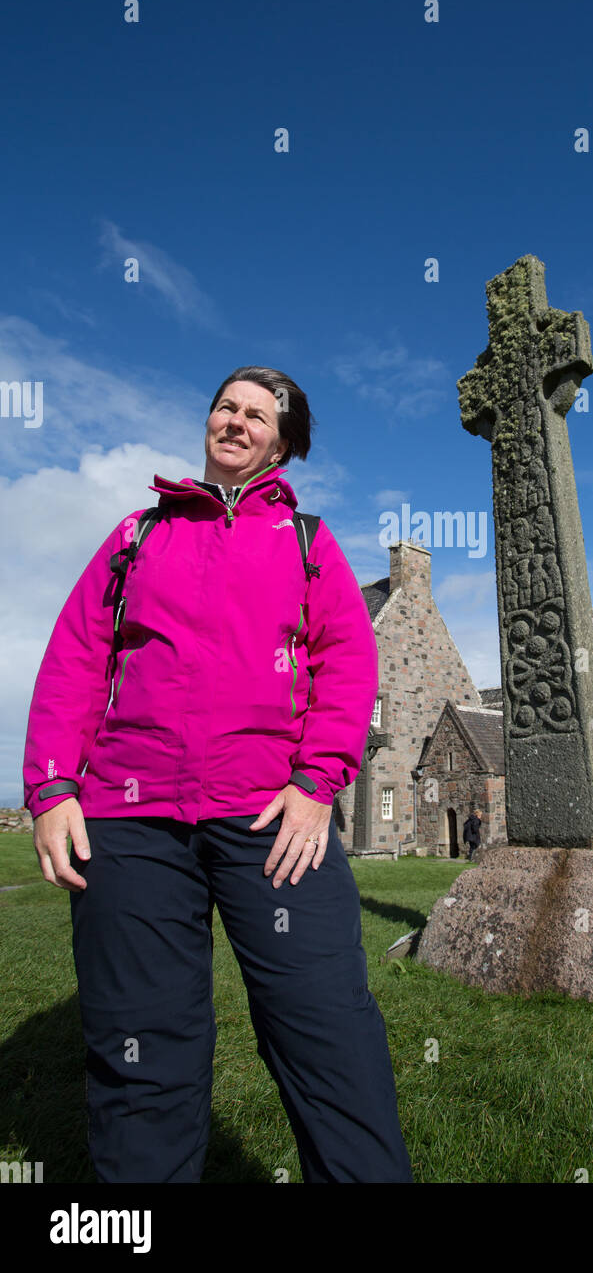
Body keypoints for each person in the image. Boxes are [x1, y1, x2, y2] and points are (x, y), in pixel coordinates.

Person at [22, 365, 413, 1184]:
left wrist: (315, 785)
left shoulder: (307, 543)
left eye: (258, 416)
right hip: (128, 824)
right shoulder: (137, 536)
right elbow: (75, 661)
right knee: (140, 1052)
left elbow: (348, 664)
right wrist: (55, 788)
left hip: (268, 822)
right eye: (226, 407)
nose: (236, 422)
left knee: (326, 1032)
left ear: (283, 444)